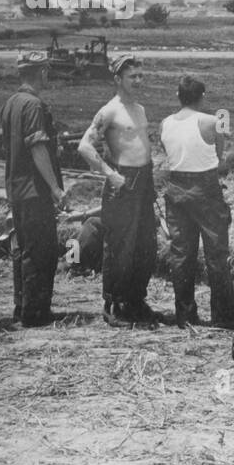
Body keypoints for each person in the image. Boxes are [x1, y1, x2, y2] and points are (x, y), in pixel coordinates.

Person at [78, 55, 160, 326]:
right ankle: (114, 304)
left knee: (146, 244)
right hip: (122, 184)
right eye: (131, 77)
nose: (138, 81)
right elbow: (85, 146)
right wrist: (110, 174)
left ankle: (136, 300)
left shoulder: (140, 109)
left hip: (144, 182)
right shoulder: (109, 110)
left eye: (140, 76)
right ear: (117, 80)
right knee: (119, 247)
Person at [159, 76, 234, 328]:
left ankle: (185, 315)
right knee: (216, 254)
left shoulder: (165, 123)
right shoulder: (211, 121)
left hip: (175, 189)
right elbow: (218, 155)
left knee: (181, 254)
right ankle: (223, 316)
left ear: (177, 95)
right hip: (205, 189)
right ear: (202, 97)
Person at [0, 59, 66, 327]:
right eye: (47, 70)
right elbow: (38, 148)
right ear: (41, 72)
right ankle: (35, 312)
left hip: (16, 189)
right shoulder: (34, 105)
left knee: (23, 249)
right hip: (35, 190)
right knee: (40, 252)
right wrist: (55, 188)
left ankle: (22, 306)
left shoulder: (10, 103)